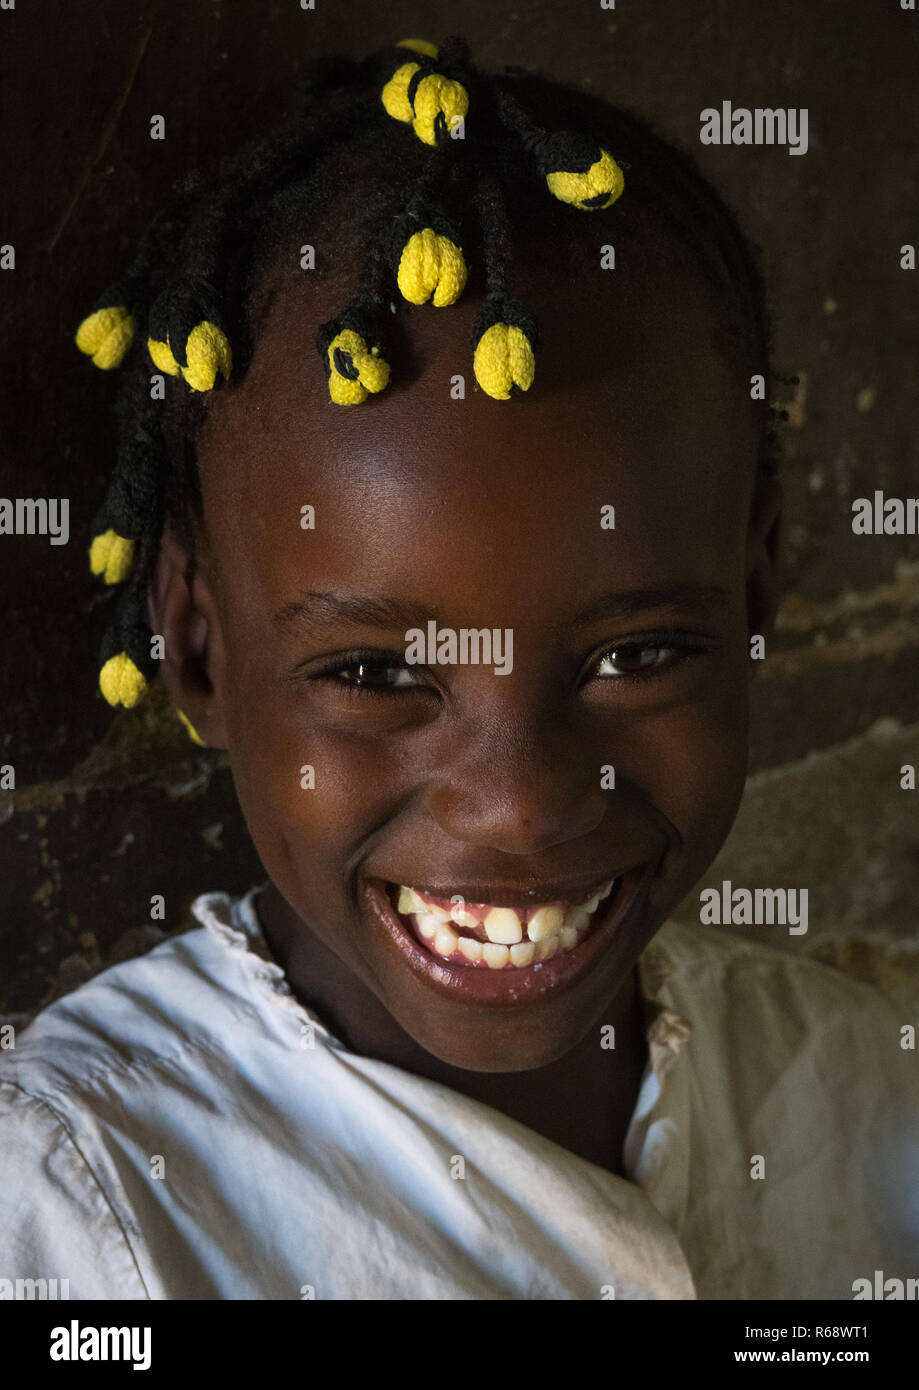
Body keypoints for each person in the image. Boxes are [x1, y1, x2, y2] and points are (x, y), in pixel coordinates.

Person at [1, 34, 915, 1301]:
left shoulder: (872, 1096)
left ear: (756, 595)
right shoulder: (80, 1220)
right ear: (198, 652)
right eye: (375, 674)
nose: (522, 801)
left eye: (638, 653)